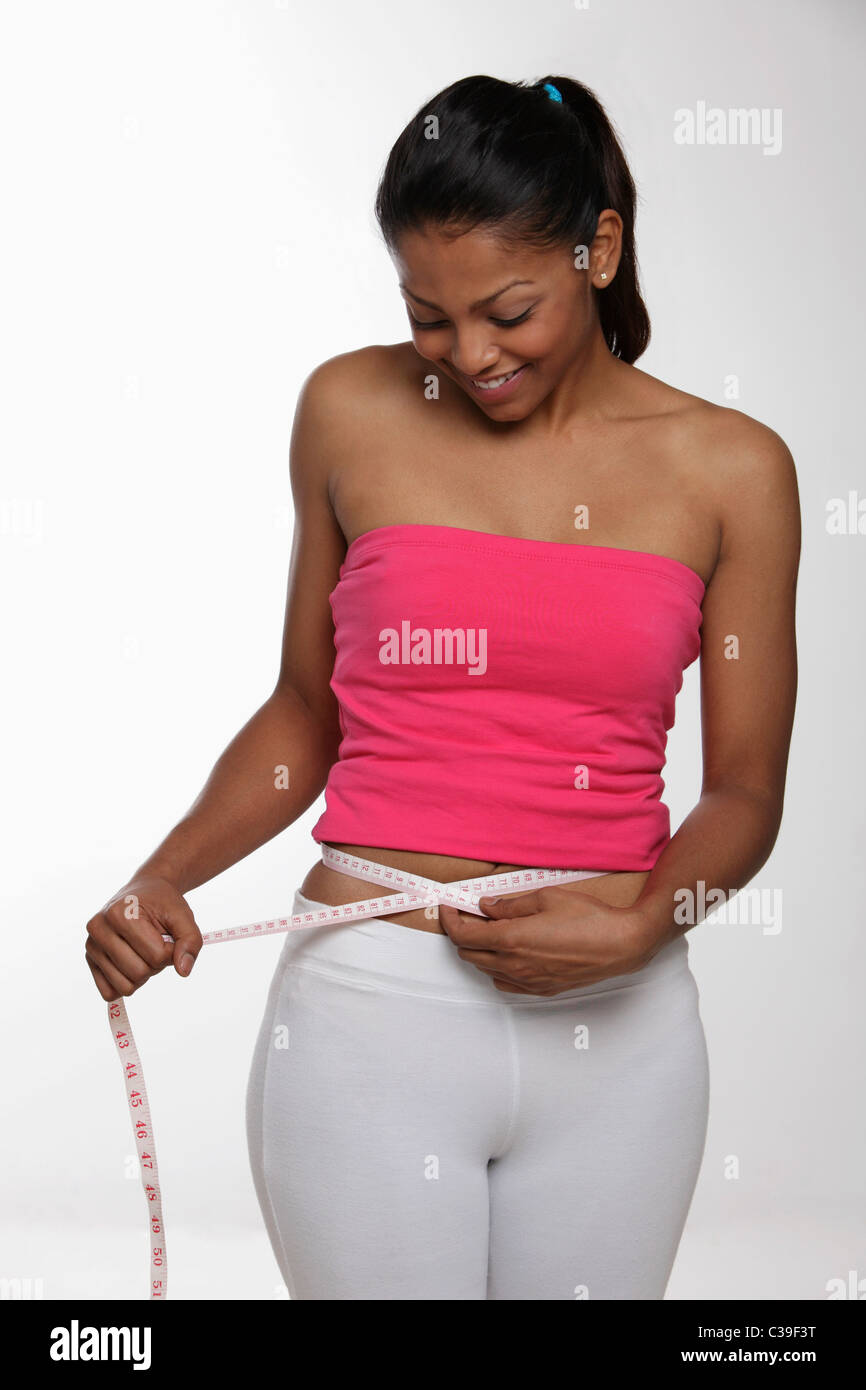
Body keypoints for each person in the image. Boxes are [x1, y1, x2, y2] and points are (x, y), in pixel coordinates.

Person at [85, 74, 800, 1300]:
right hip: (370, 1016)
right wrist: (165, 873)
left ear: (598, 250)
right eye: (428, 317)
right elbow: (305, 713)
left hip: (621, 1033)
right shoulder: (350, 410)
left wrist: (645, 920)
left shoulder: (731, 469)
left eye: (506, 311)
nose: (469, 357)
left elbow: (741, 791)